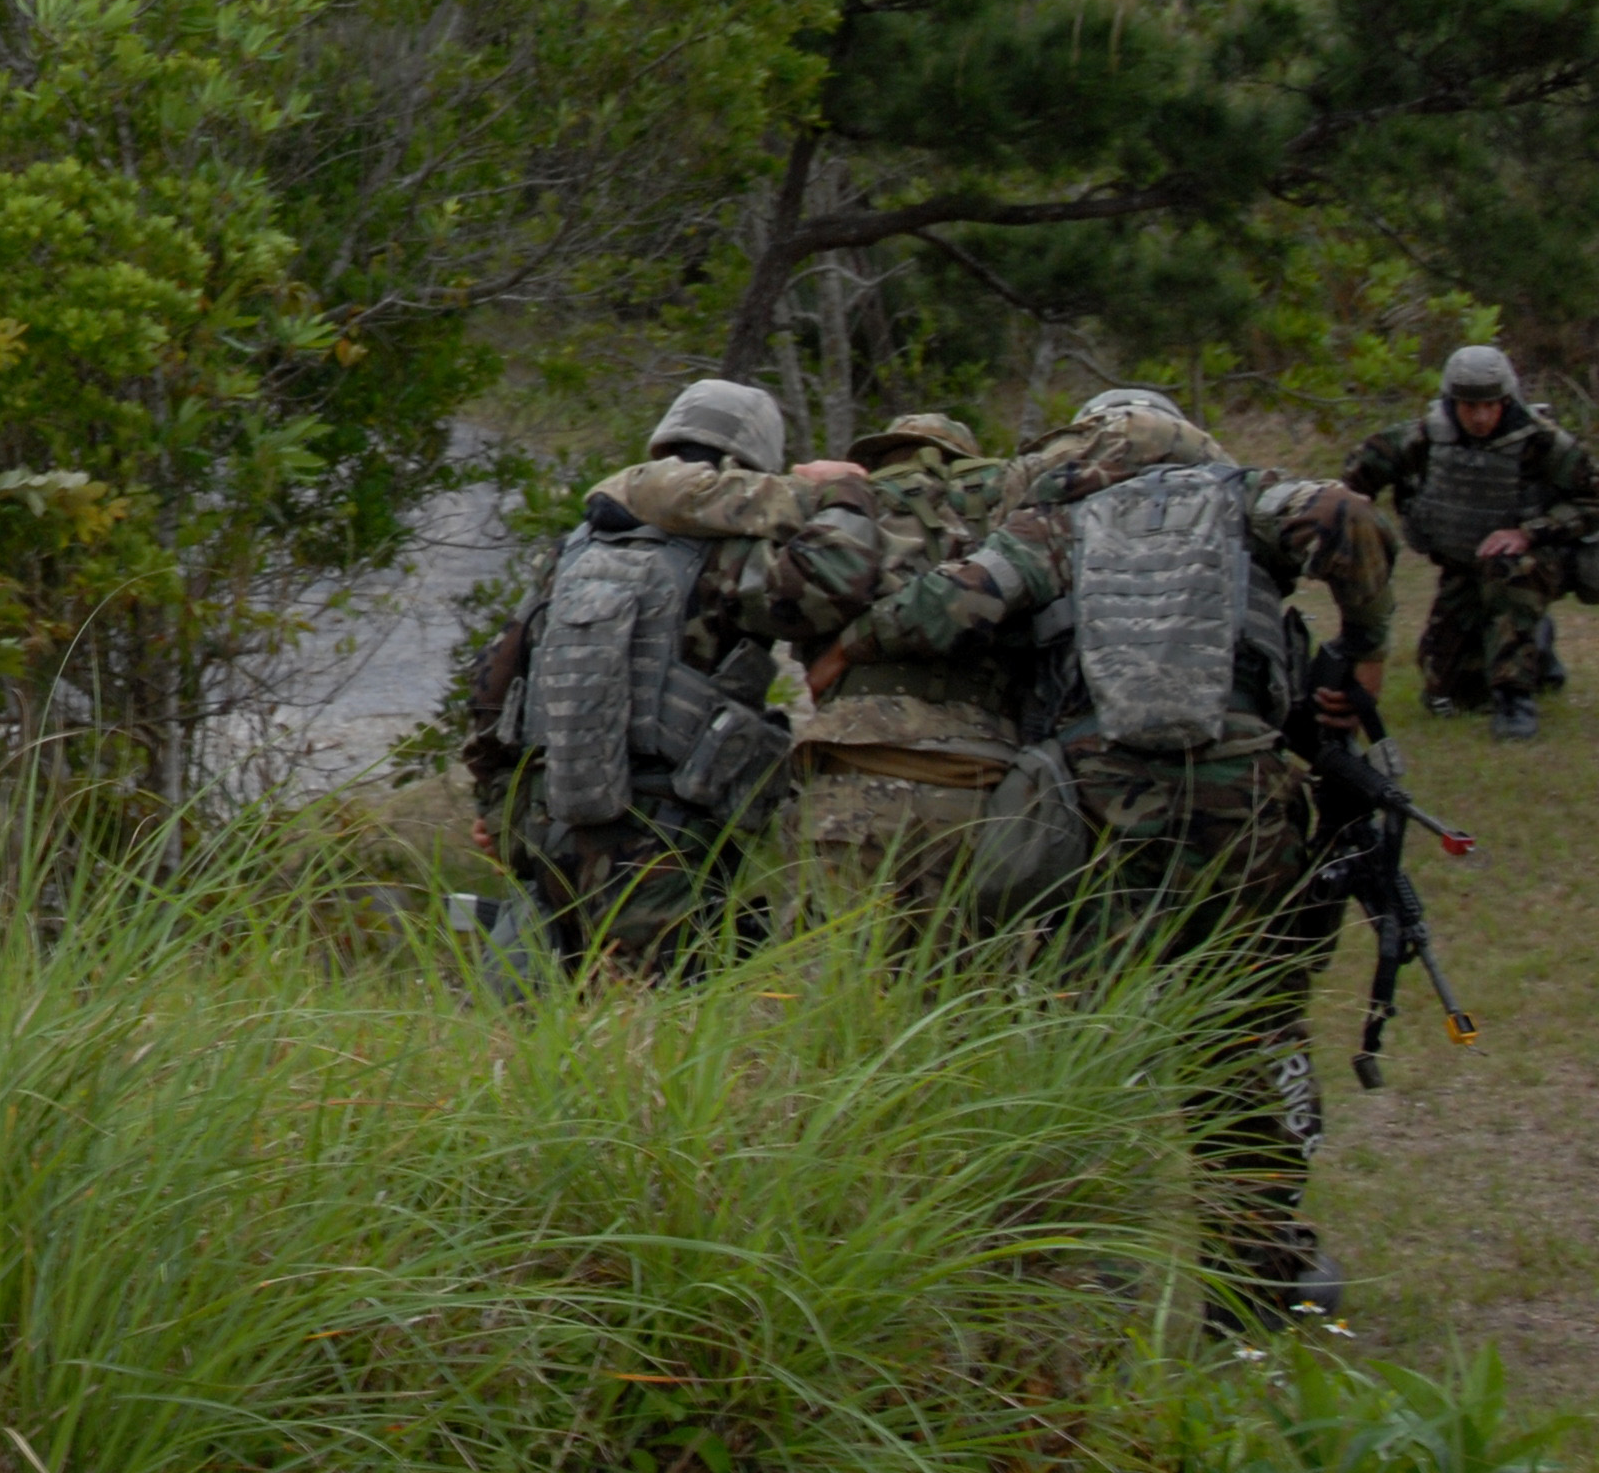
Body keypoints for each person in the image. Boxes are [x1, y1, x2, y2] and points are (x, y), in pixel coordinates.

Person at [803, 385, 1395, 1326]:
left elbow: (958, 604)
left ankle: (1066, 1279)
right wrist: (1364, 652)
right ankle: (1259, 1273)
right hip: (1242, 796)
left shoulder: (1056, 524)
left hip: (1094, 799)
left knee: (1077, 1021)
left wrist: (851, 647)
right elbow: (1347, 517)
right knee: (1244, 1022)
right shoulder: (1244, 498)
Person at [462, 379, 885, 974]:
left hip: (548, 820)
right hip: (659, 832)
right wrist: (846, 491)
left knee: (545, 1003)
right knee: (665, 1019)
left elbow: (492, 684)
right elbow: (841, 576)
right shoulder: (727, 560)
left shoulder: (577, 549)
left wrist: (497, 805)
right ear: (746, 471)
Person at [603, 412, 1016, 919]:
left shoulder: (835, 501)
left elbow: (644, 489)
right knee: (972, 972)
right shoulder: (1013, 513)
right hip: (990, 784)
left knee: (837, 964)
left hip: (851, 775)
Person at [1344, 343, 1591, 740]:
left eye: (1490, 406)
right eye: (1468, 406)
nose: (1480, 417)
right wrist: (1355, 517)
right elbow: (1361, 471)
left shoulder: (1542, 442)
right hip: (1463, 566)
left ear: (1506, 401)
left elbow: (1592, 500)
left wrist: (1529, 533)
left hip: (1531, 563)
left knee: (1509, 570)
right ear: (1451, 402)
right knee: (1447, 692)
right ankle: (1538, 647)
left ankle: (1515, 699)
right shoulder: (1424, 436)